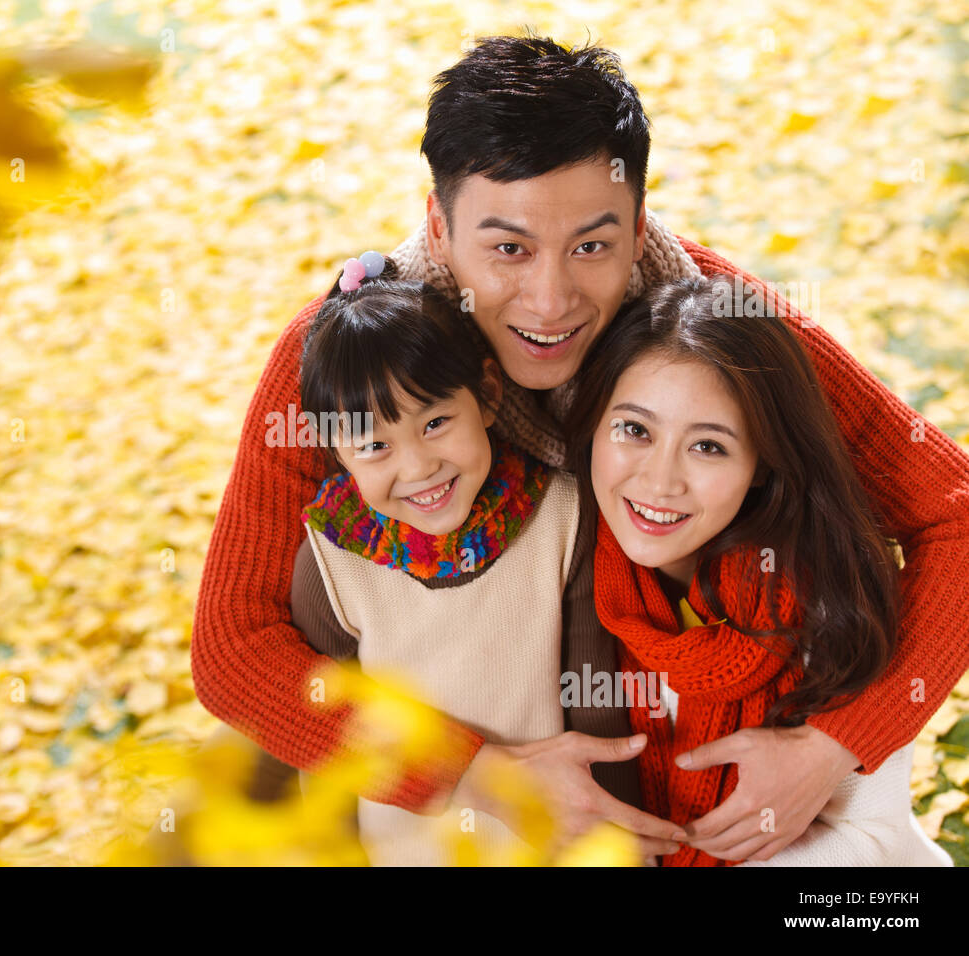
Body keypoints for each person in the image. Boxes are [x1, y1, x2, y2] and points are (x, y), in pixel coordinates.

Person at [191, 33, 969, 861]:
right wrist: (479, 774)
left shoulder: (711, 332)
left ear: (639, 227)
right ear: (441, 228)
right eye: (509, 249)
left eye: (591, 246)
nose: (551, 299)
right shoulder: (355, 362)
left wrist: (833, 747)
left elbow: (955, 516)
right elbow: (234, 650)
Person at [563, 275, 952, 866]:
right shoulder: (574, 577)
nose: (660, 481)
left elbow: (872, 842)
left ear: (763, 467)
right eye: (635, 430)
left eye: (709, 446)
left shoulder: (823, 601)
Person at [282, 250, 654, 863]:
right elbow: (329, 736)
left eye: (434, 423)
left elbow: (595, 702)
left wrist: (617, 845)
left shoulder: (563, 517)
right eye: (374, 445)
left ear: (485, 395)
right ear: (336, 452)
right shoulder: (330, 561)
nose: (418, 466)